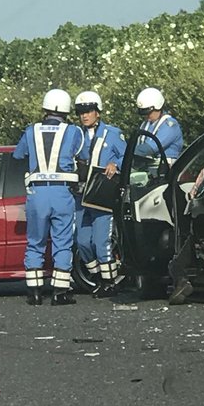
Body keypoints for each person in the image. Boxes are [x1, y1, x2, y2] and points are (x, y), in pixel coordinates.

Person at [12, 89, 85, 306]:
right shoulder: (74, 132)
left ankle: (34, 293)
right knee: (62, 242)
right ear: (66, 110)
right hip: (62, 192)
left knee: (35, 241)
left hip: (37, 193)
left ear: (45, 108)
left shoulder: (31, 131)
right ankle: (60, 293)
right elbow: (83, 156)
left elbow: (18, 155)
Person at [73, 90, 126, 298]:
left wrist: (116, 164)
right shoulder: (76, 135)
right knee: (82, 241)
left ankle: (109, 282)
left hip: (101, 194)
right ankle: (97, 277)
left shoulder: (112, 134)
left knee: (101, 240)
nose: (84, 116)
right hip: (81, 195)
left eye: (88, 111)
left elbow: (127, 156)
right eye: (81, 112)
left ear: (98, 112)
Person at [133, 87, 184, 171]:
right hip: (147, 168)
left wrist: (126, 154)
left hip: (166, 170)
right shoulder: (146, 124)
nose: (146, 116)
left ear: (158, 107)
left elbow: (149, 148)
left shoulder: (170, 125)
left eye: (148, 113)